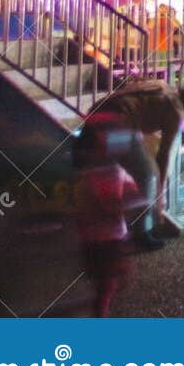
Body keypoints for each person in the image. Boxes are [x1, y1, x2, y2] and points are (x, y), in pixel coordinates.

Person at [82, 77, 184, 248]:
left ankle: (107, 227)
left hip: (95, 116)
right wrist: (159, 193)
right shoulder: (176, 109)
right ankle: (142, 232)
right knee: (149, 175)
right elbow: (163, 155)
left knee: (113, 174)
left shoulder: (162, 86)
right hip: (116, 123)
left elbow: (135, 107)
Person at [72, 118, 141, 316]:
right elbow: (115, 202)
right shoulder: (105, 174)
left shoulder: (94, 174)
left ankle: (101, 302)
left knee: (107, 276)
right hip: (107, 237)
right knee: (110, 278)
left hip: (95, 236)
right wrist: (132, 200)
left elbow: (128, 191)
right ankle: (101, 311)